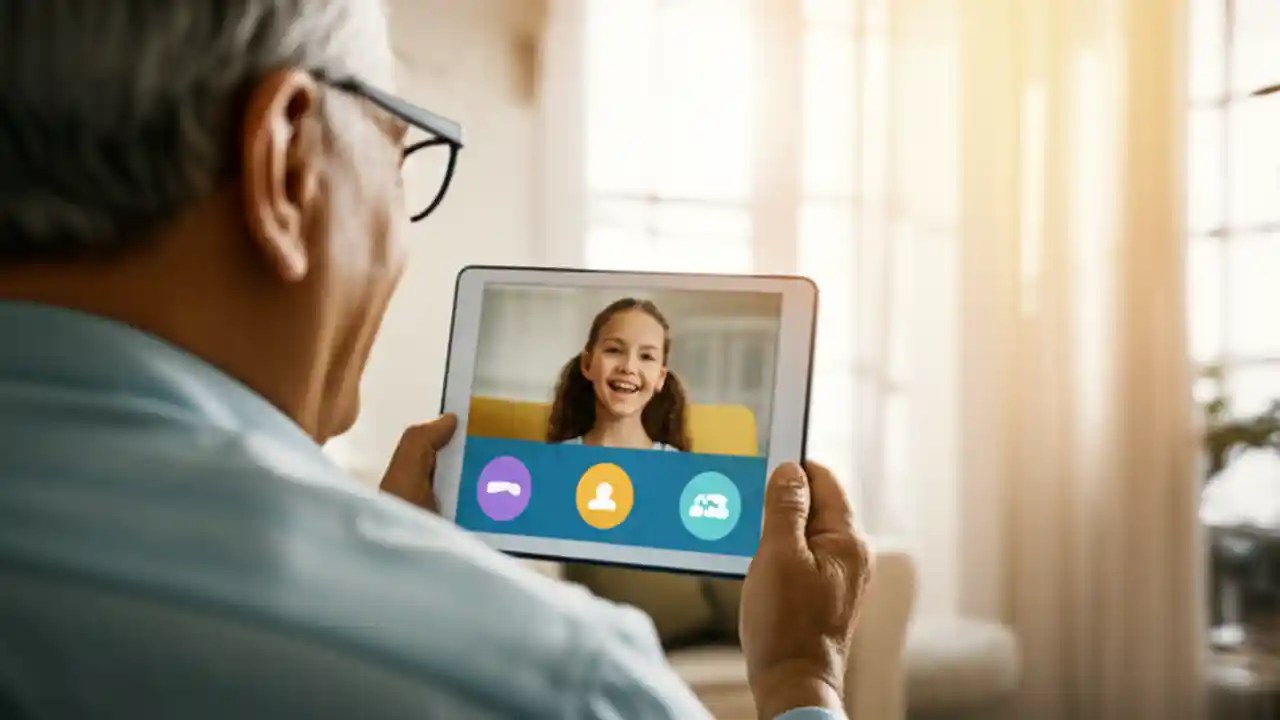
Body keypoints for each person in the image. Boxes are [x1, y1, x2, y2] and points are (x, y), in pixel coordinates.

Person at [0, 2, 873, 719]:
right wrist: (803, 678)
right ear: (287, 163)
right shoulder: (550, 684)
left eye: (648, 356)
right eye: (403, 150)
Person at [547, 297, 690, 452]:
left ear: (660, 378)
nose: (628, 367)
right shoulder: (556, 459)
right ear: (587, 364)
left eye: (646, 356)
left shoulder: (674, 466)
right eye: (614, 350)